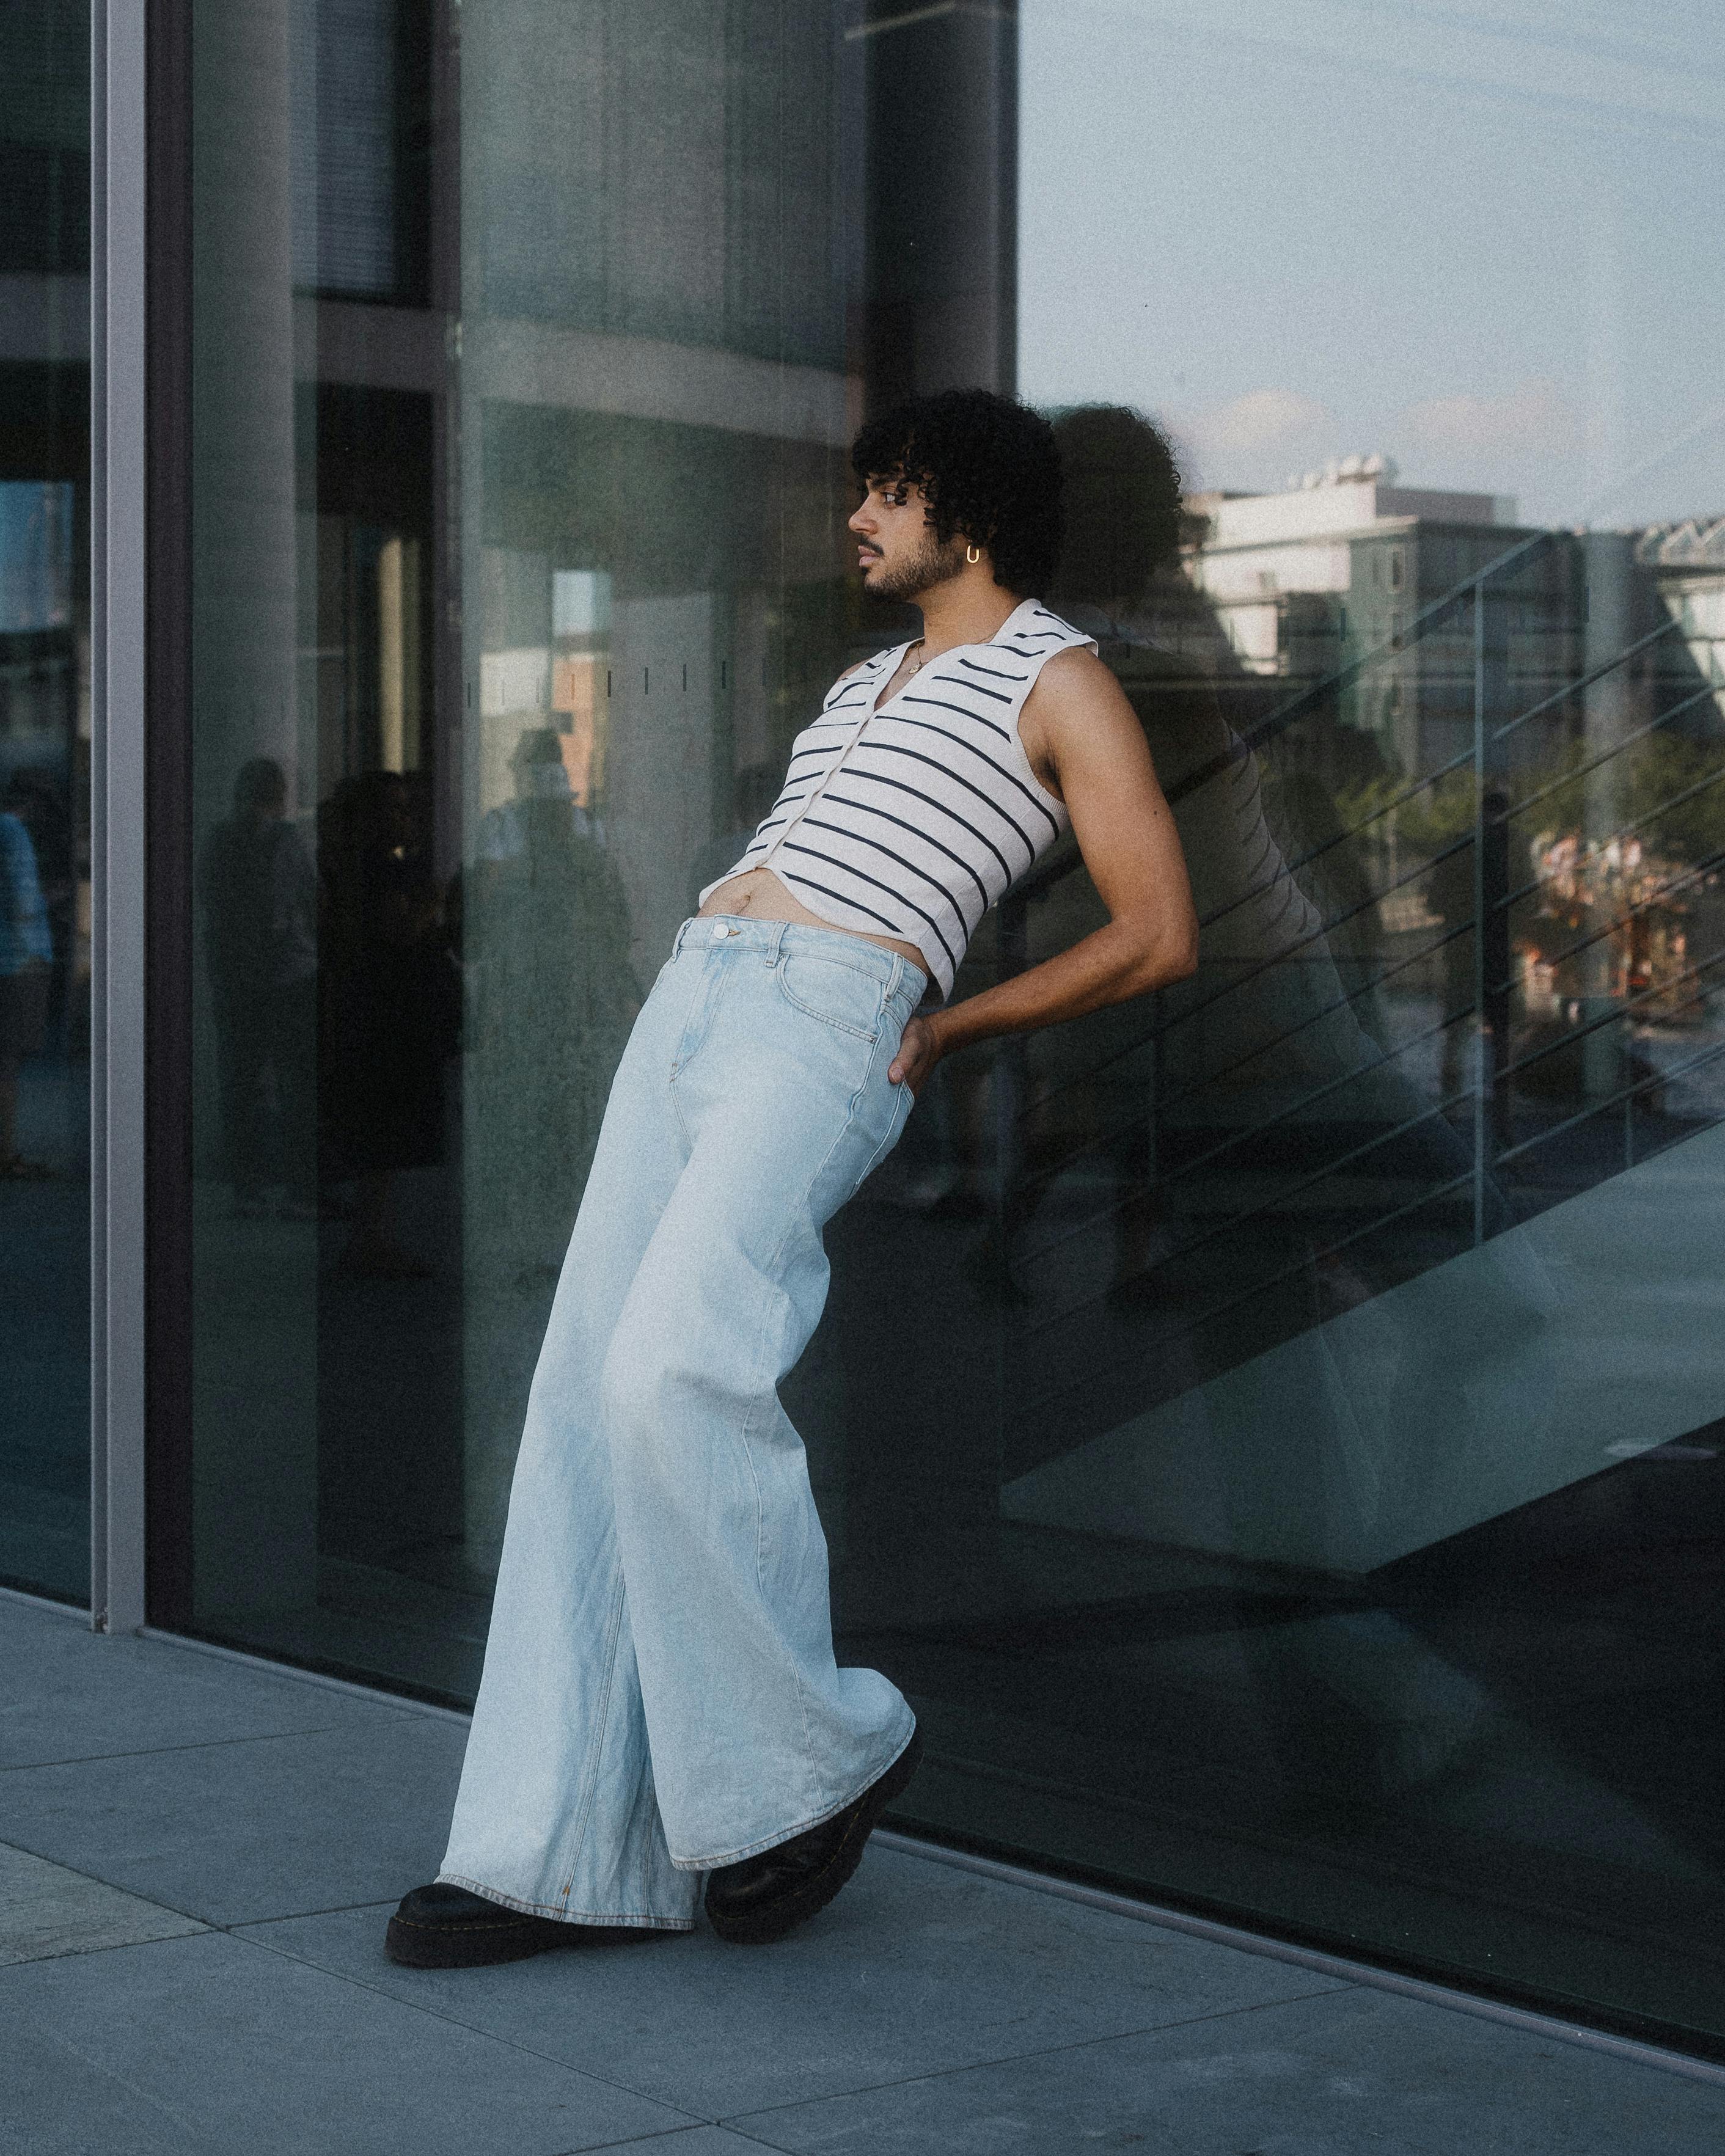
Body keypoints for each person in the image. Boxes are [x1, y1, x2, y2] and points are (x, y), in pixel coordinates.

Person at [385, 388, 1199, 1969]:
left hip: (830, 1021)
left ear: (962, 506)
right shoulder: (862, 680)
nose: (857, 519)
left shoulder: (1060, 676)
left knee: (669, 1368)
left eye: (886, 493)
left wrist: (954, 1021)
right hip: (693, 994)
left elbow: (1156, 929)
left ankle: (813, 1752)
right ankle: (551, 1856)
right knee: (576, 1402)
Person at [198, 757, 318, 1216]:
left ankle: (246, 1188)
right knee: (296, 1085)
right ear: (279, 795)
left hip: (235, 980)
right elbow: (307, 899)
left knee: (240, 1085)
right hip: (287, 976)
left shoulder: (216, 841)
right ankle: (298, 1190)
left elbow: (210, 905)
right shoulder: (287, 841)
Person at [0, 791, 54, 1179]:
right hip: (16, 962)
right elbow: (22, 902)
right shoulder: (13, 830)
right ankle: (6, 1154)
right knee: (8, 1062)